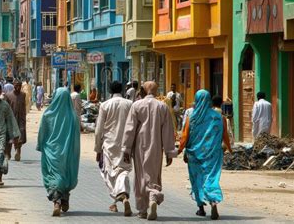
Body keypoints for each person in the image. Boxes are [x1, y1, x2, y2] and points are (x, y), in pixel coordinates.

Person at [122, 81, 177, 220]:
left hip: (140, 146)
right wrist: (169, 152)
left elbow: (130, 129)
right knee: (153, 175)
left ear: (144, 91)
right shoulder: (162, 106)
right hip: (156, 147)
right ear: (156, 91)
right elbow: (168, 131)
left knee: (141, 177)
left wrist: (126, 150)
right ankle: (153, 196)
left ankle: (142, 209)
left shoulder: (137, 105)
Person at [179, 90, 232, 220]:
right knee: (211, 178)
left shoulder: (191, 117)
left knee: (197, 179)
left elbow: (185, 136)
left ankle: (201, 209)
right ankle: (213, 201)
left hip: (194, 154)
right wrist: (229, 149)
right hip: (213, 154)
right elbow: (225, 135)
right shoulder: (219, 117)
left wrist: (180, 150)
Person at [37, 88, 80, 217]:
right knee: (65, 174)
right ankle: (65, 198)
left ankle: (57, 202)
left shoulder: (47, 114)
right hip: (67, 152)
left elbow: (42, 132)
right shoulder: (73, 116)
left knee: (53, 175)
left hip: (51, 152)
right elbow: (76, 137)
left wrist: (40, 146)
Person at [94, 81, 133, 216]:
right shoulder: (130, 104)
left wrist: (97, 149)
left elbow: (99, 130)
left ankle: (118, 196)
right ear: (122, 89)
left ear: (110, 90)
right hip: (126, 144)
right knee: (123, 171)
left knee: (109, 172)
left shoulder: (105, 105)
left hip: (109, 144)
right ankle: (122, 195)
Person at [4, 79, 27, 161]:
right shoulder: (8, 95)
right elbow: (5, 108)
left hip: (20, 119)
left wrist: (24, 118)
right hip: (10, 119)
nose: (18, 87)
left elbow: (24, 107)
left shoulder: (23, 95)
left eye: (19, 86)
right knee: (9, 137)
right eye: (16, 85)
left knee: (20, 136)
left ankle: (18, 152)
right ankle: (7, 153)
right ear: (13, 85)